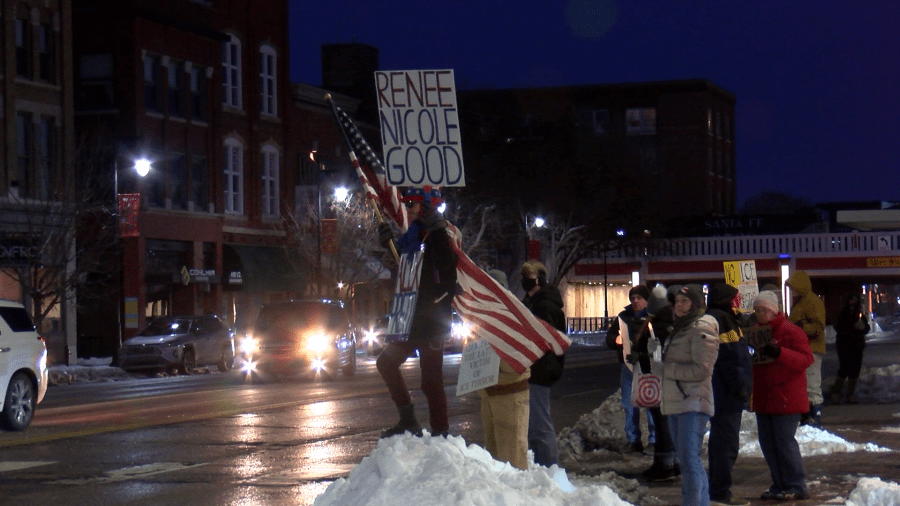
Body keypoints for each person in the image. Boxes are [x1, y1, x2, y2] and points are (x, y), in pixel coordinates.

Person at [376, 187, 458, 438]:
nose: (408, 209)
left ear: (426, 206)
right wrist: (388, 246)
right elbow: (402, 269)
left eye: (412, 204)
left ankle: (440, 432)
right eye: (407, 203)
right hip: (407, 317)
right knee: (386, 363)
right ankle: (408, 419)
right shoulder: (411, 237)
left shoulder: (441, 235)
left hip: (431, 320)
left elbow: (448, 270)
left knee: (431, 382)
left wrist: (439, 233)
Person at [750, 290, 814, 501]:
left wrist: (779, 353)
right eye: (757, 310)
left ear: (773, 310)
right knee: (768, 444)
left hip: (786, 396)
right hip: (764, 396)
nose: (759, 313)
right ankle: (779, 484)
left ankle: (796, 484)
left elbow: (806, 359)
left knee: (784, 443)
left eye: (763, 310)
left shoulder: (791, 331)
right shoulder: (756, 331)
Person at [660, 284, 719, 506]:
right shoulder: (679, 328)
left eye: (684, 301)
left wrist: (669, 369)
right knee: (687, 459)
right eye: (676, 301)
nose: (678, 305)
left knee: (689, 459)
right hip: (678, 401)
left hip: (693, 402)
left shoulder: (701, 328)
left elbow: (702, 369)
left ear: (695, 304)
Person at [705, 283, 753, 506]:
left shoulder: (717, 317)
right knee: (726, 443)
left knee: (720, 441)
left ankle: (716, 487)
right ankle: (720, 490)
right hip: (726, 392)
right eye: (735, 298)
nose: (738, 302)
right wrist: (741, 387)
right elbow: (732, 359)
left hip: (719, 390)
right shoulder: (723, 321)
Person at [478, 268, 531, 470]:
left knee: (512, 458)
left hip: (510, 393)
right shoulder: (483, 317)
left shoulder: (515, 316)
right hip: (490, 392)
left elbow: (518, 361)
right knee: (494, 456)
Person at [520, 260, 566, 467]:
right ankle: (540, 464)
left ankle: (549, 466)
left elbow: (547, 340)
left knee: (539, 423)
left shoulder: (544, 305)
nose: (523, 282)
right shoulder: (531, 303)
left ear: (539, 280)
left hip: (540, 369)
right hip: (533, 367)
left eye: (527, 278)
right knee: (532, 423)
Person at [634, 284, 679, 481]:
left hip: (658, 377)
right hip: (667, 378)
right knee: (666, 422)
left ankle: (665, 463)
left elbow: (658, 353)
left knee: (663, 423)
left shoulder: (658, 325)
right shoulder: (670, 321)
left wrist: (643, 353)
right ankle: (672, 461)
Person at [605, 285, 657, 454]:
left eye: (639, 298)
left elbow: (658, 341)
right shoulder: (623, 317)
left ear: (646, 300)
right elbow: (610, 338)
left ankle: (654, 439)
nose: (635, 301)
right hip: (628, 365)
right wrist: (616, 340)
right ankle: (633, 440)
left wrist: (644, 352)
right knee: (629, 403)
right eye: (633, 298)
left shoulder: (653, 317)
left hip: (648, 364)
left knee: (651, 402)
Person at [785, 271, 826, 427]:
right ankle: (808, 417)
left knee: (811, 384)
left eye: (793, 287)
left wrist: (799, 328)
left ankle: (813, 418)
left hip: (812, 350)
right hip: (804, 350)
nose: (791, 290)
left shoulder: (811, 302)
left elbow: (818, 327)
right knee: (806, 384)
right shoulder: (802, 302)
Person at [830, 293, 870, 405]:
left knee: (855, 370)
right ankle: (836, 392)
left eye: (854, 301)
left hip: (857, 345)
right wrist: (851, 328)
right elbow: (838, 327)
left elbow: (866, 327)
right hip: (845, 345)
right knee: (845, 368)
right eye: (851, 301)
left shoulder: (859, 314)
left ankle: (850, 395)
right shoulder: (842, 314)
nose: (852, 304)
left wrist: (863, 327)